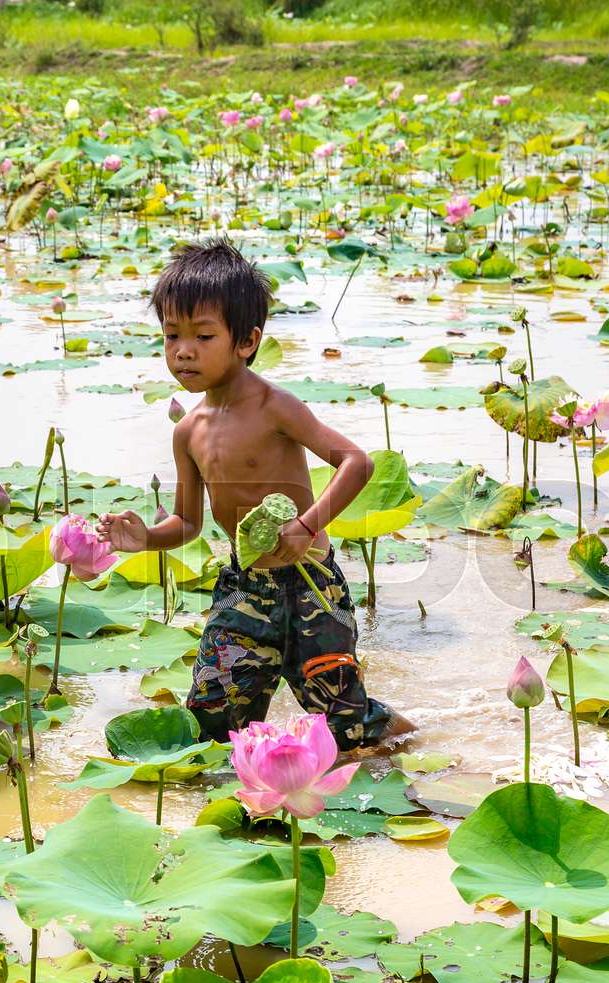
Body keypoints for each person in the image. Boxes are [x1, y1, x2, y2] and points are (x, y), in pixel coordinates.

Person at [97, 238, 412, 754]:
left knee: (345, 729)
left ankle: (409, 736)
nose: (183, 350)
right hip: (244, 589)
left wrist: (307, 525)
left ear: (246, 341)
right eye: (171, 335)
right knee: (214, 720)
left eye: (202, 335)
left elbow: (356, 462)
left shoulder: (274, 407)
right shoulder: (189, 431)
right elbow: (188, 523)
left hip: (310, 586)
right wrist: (146, 539)